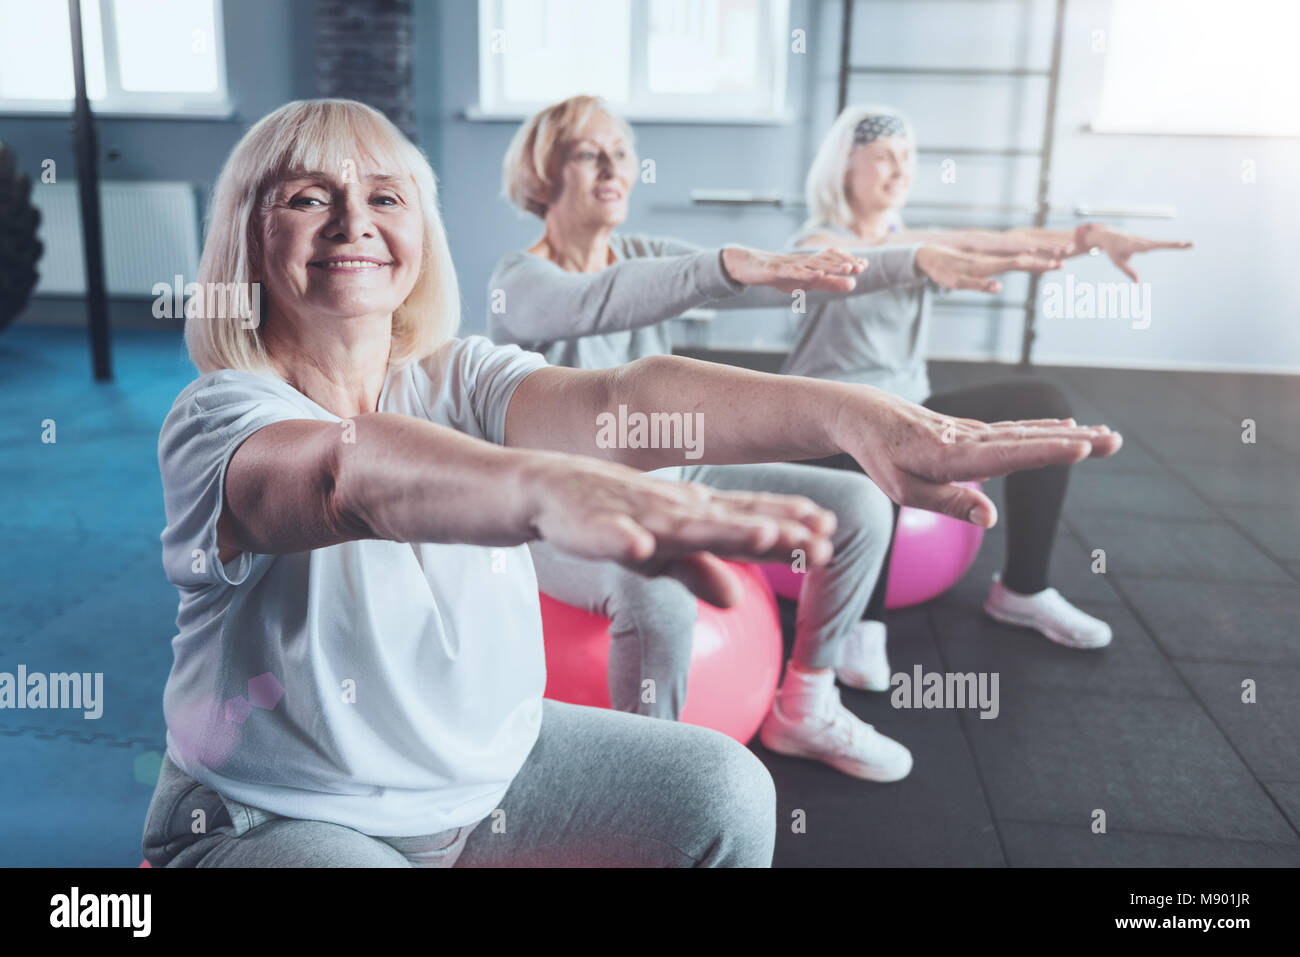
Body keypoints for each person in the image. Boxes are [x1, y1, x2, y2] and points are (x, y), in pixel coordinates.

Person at [141, 98, 1120, 868]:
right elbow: (343, 476)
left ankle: (806, 694)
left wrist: (845, 416)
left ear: (420, 233)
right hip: (277, 815)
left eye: (385, 196)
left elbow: (622, 394)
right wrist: (547, 488)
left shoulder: (460, 373)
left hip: (488, 773)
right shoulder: (221, 414)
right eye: (308, 196)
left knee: (722, 791)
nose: (353, 219)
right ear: (246, 234)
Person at [487, 94, 1068, 781]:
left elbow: (770, 282)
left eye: (622, 152)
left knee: (857, 506)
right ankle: (648, 791)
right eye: (591, 153)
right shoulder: (517, 281)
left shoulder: (640, 251)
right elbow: (609, 298)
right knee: (661, 596)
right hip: (565, 505)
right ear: (545, 171)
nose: (614, 167)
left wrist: (912, 261)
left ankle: (806, 703)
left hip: (679, 475)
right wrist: (725, 264)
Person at [783, 105, 1193, 691]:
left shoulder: (915, 238)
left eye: (907, 157)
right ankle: (858, 625)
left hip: (911, 407)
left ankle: (1022, 591)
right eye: (883, 156)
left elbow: (1002, 239)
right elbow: (853, 266)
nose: (899, 169)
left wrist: (1091, 238)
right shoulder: (815, 240)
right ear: (845, 164)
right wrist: (924, 257)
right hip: (824, 428)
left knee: (1040, 396)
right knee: (881, 442)